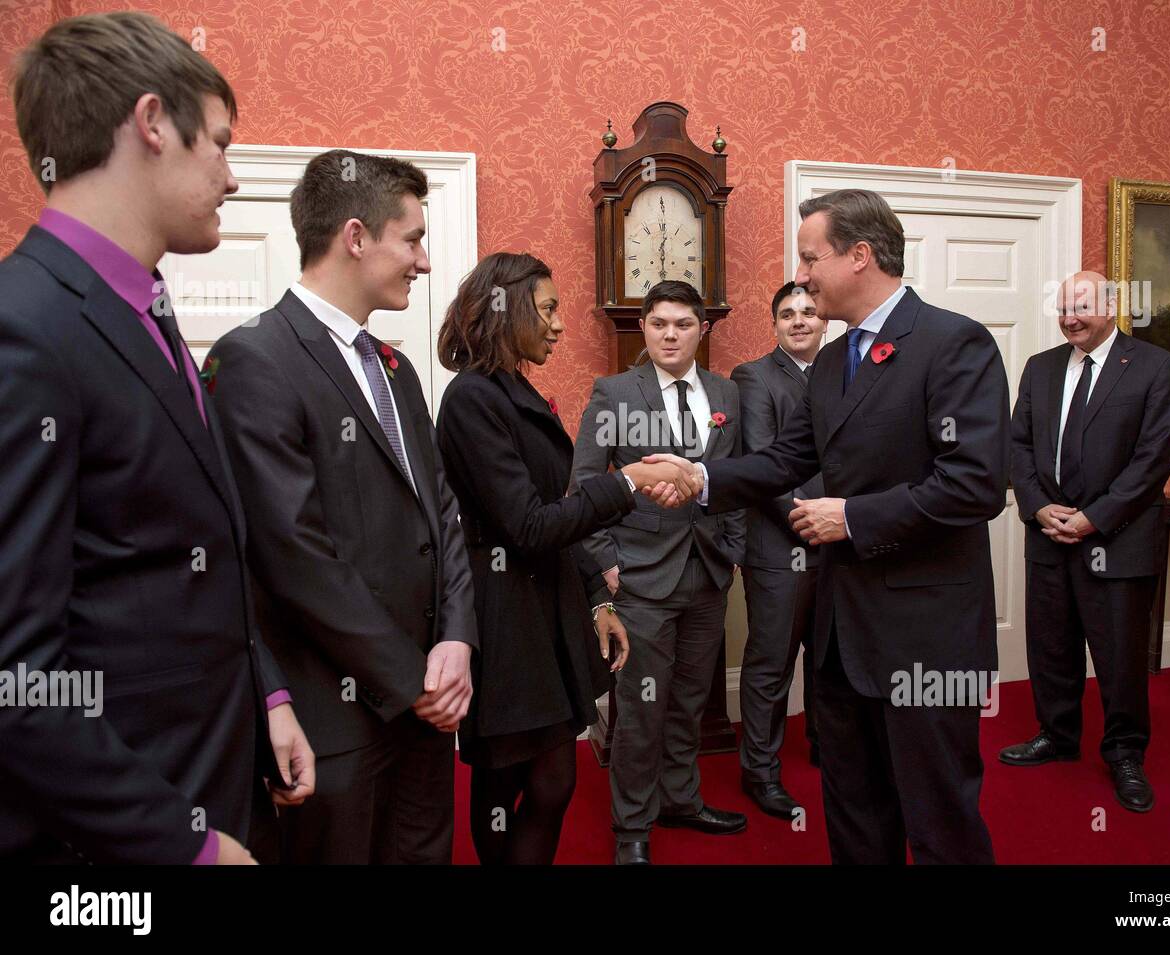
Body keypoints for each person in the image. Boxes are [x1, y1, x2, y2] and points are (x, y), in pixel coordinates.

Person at [0, 12, 311, 865]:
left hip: (215, 774)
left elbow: (185, 550)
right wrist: (185, 847)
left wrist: (269, 694)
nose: (233, 176)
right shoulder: (23, 328)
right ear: (151, 123)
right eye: (218, 142)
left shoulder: (146, 307)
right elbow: (17, 678)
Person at [649, 189, 1009, 864]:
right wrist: (703, 478)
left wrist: (854, 516)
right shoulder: (835, 363)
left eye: (812, 258)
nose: (804, 275)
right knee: (854, 810)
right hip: (844, 638)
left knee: (938, 820)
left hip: (924, 640)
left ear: (860, 256)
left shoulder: (953, 343)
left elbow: (976, 483)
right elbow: (789, 459)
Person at [208, 149, 475, 864]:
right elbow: (293, 553)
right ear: (356, 237)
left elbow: (440, 511)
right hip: (335, 717)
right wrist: (408, 676)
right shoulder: (254, 359)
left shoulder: (396, 366)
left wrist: (456, 638)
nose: (423, 262)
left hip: (427, 706)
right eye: (413, 239)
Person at [434, 253, 690, 865]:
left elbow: (558, 507)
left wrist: (597, 597)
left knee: (553, 781)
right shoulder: (472, 398)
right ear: (508, 308)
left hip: (544, 608)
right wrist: (625, 484)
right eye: (547, 309)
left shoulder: (515, 389)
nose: (557, 324)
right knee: (506, 782)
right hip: (503, 616)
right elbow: (527, 525)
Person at [571, 279, 748, 865]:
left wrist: (735, 548)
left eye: (683, 324)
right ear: (644, 329)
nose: (670, 334)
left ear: (703, 329)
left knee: (690, 700)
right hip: (641, 579)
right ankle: (632, 826)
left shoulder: (726, 392)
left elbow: (740, 481)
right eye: (659, 324)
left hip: (708, 574)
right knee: (641, 706)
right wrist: (605, 563)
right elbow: (585, 488)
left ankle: (681, 799)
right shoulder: (614, 391)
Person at [1001, 271, 1170, 813]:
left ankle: (1125, 753)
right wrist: (1037, 507)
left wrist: (1093, 519)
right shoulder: (1041, 368)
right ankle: (1056, 736)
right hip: (1049, 535)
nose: (1070, 318)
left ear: (1111, 307)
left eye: (1081, 306)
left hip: (1119, 540)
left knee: (1119, 656)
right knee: (1051, 646)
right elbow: (1018, 447)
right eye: (1063, 308)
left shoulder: (1154, 367)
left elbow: (1153, 461)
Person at [730, 281, 827, 818]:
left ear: (824, 320)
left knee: (829, 658)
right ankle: (760, 771)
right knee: (770, 665)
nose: (799, 321)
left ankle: (825, 745)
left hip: (839, 541)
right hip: (779, 545)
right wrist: (809, 521)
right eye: (787, 313)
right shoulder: (755, 377)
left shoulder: (843, 372)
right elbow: (763, 469)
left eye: (809, 312)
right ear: (774, 324)